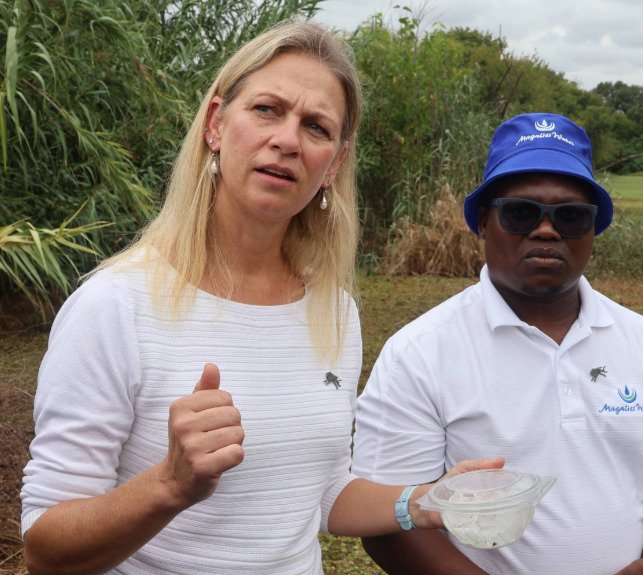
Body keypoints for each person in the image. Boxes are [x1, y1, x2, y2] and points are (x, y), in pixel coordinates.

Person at [20, 21, 499, 575]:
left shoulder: (333, 311)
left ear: (334, 164)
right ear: (216, 124)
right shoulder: (115, 305)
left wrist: (423, 501)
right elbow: (45, 550)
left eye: (316, 127)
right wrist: (169, 485)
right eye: (267, 109)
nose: (288, 140)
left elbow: (316, 492)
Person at [352, 112, 643, 575]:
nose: (546, 230)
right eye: (521, 212)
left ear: (594, 229)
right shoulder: (420, 353)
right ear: (484, 221)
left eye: (571, 216)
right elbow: (385, 521)